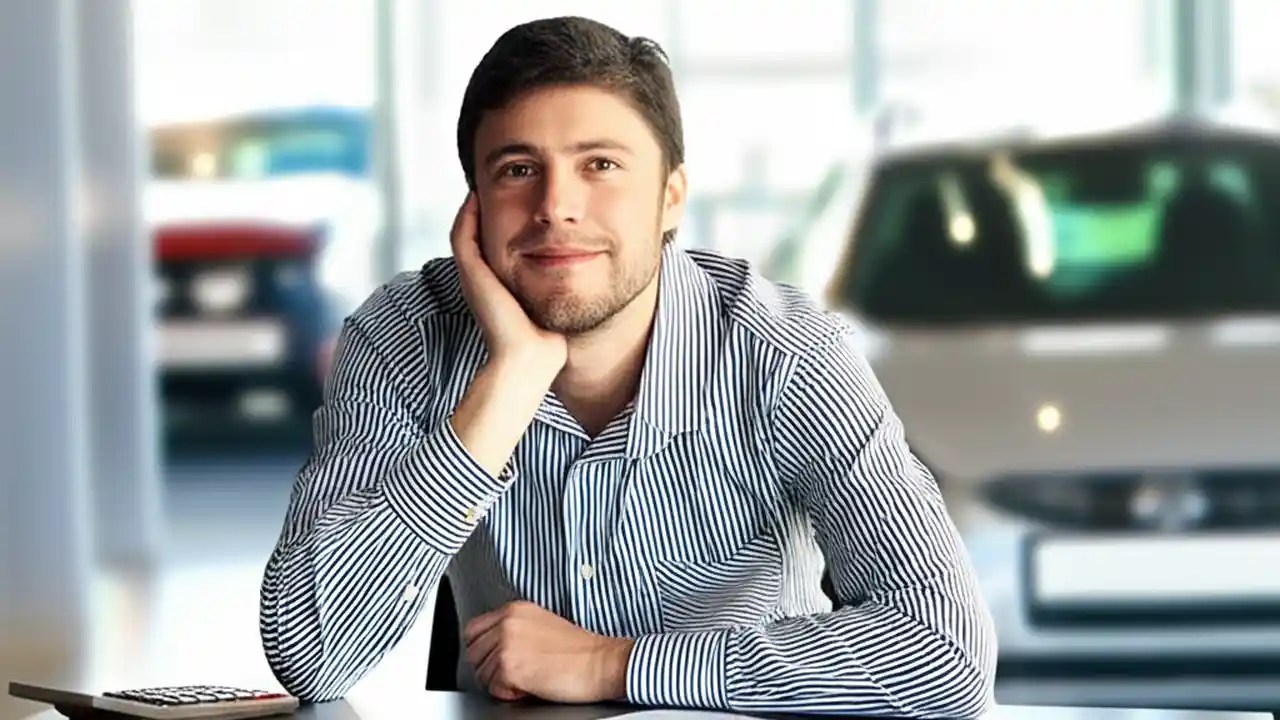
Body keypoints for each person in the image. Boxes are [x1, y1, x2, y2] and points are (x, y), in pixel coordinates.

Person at [259, 15, 997, 718]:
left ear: (670, 197)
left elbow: (949, 652)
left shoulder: (786, 354)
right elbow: (311, 652)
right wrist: (511, 379)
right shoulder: (404, 338)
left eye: (600, 165)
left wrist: (610, 664)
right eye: (518, 169)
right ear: (475, 207)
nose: (556, 207)